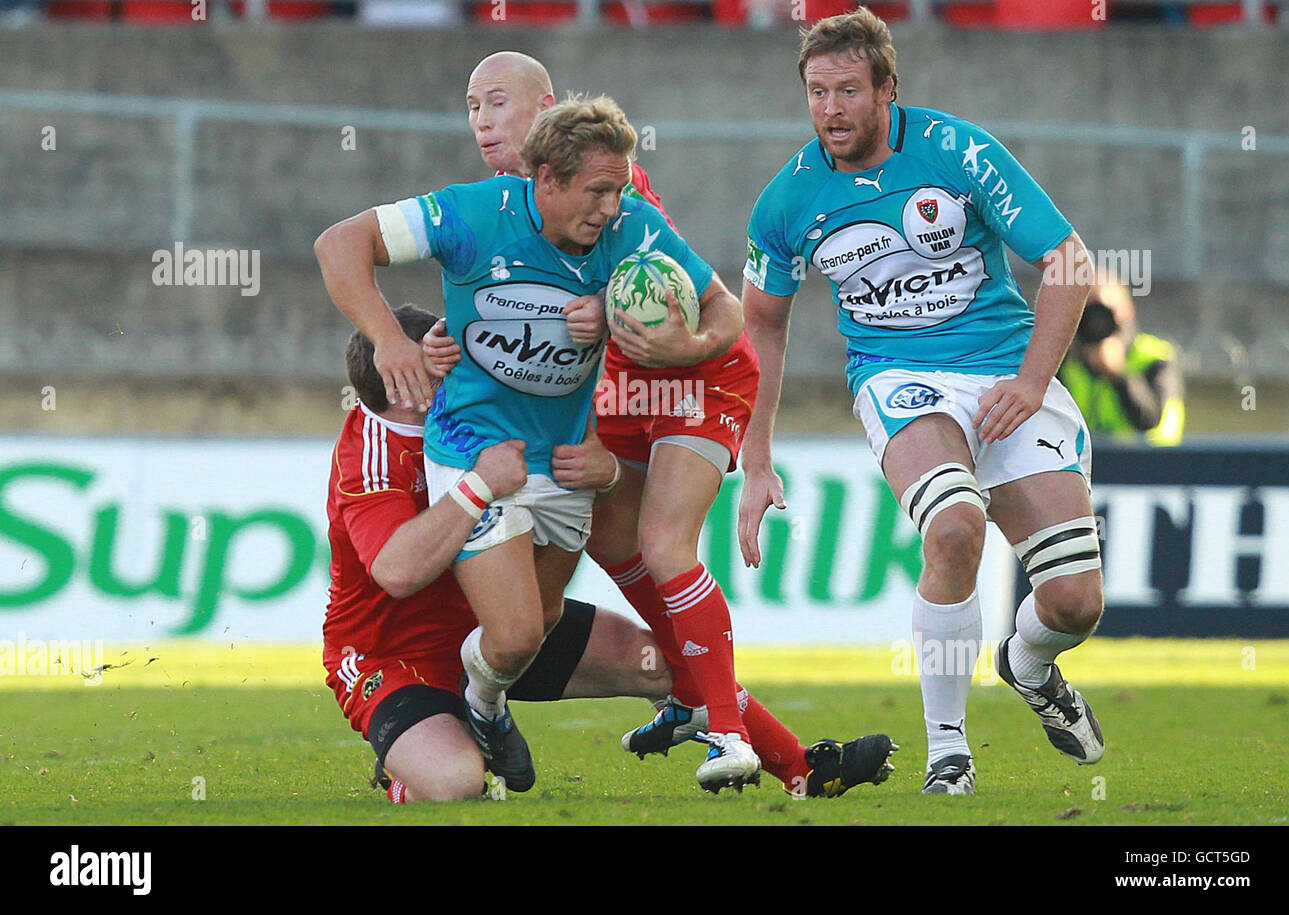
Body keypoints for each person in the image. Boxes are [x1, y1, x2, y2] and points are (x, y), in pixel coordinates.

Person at [444, 50, 897, 796]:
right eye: (472, 107)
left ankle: (721, 725)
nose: (484, 121)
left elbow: (698, 303)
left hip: (689, 379)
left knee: (658, 550)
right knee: (621, 562)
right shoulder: (506, 204)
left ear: (546, 108)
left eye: (498, 102)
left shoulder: (606, 188)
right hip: (619, 389)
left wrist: (615, 315)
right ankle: (794, 763)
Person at [317, 93, 766, 794]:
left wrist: (685, 342)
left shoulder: (628, 227)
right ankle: (472, 714)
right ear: (546, 182)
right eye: (598, 190)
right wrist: (389, 339)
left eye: (620, 189)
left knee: (560, 632)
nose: (613, 207)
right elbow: (339, 242)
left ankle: (484, 701)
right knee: (519, 634)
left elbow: (726, 310)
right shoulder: (471, 214)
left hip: (559, 463)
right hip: (475, 451)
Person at [739, 7, 1106, 795]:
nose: (830, 111)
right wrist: (755, 454)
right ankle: (949, 752)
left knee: (1074, 601)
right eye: (815, 93)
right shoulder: (787, 202)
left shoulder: (960, 151)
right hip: (897, 379)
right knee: (953, 523)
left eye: (846, 91)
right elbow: (761, 326)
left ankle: (1026, 662)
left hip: (1007, 372)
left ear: (886, 89)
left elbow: (1069, 261)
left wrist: (1034, 380)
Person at [323, 304, 672, 803]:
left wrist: (609, 473)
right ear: (406, 383)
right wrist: (480, 485)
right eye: (449, 363)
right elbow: (397, 572)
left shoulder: (491, 417)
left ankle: (792, 763)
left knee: (661, 664)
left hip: (502, 620)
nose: (472, 373)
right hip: (392, 655)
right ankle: (407, 772)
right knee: (457, 785)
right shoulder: (372, 452)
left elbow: (598, 507)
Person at [1059, 280, 1184, 445]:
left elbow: (1149, 420)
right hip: (1087, 463)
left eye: (1106, 310)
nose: (1098, 320)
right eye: (1089, 309)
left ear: (1127, 310)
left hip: (1149, 462)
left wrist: (1118, 373)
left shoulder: (1156, 357)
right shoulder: (1068, 360)